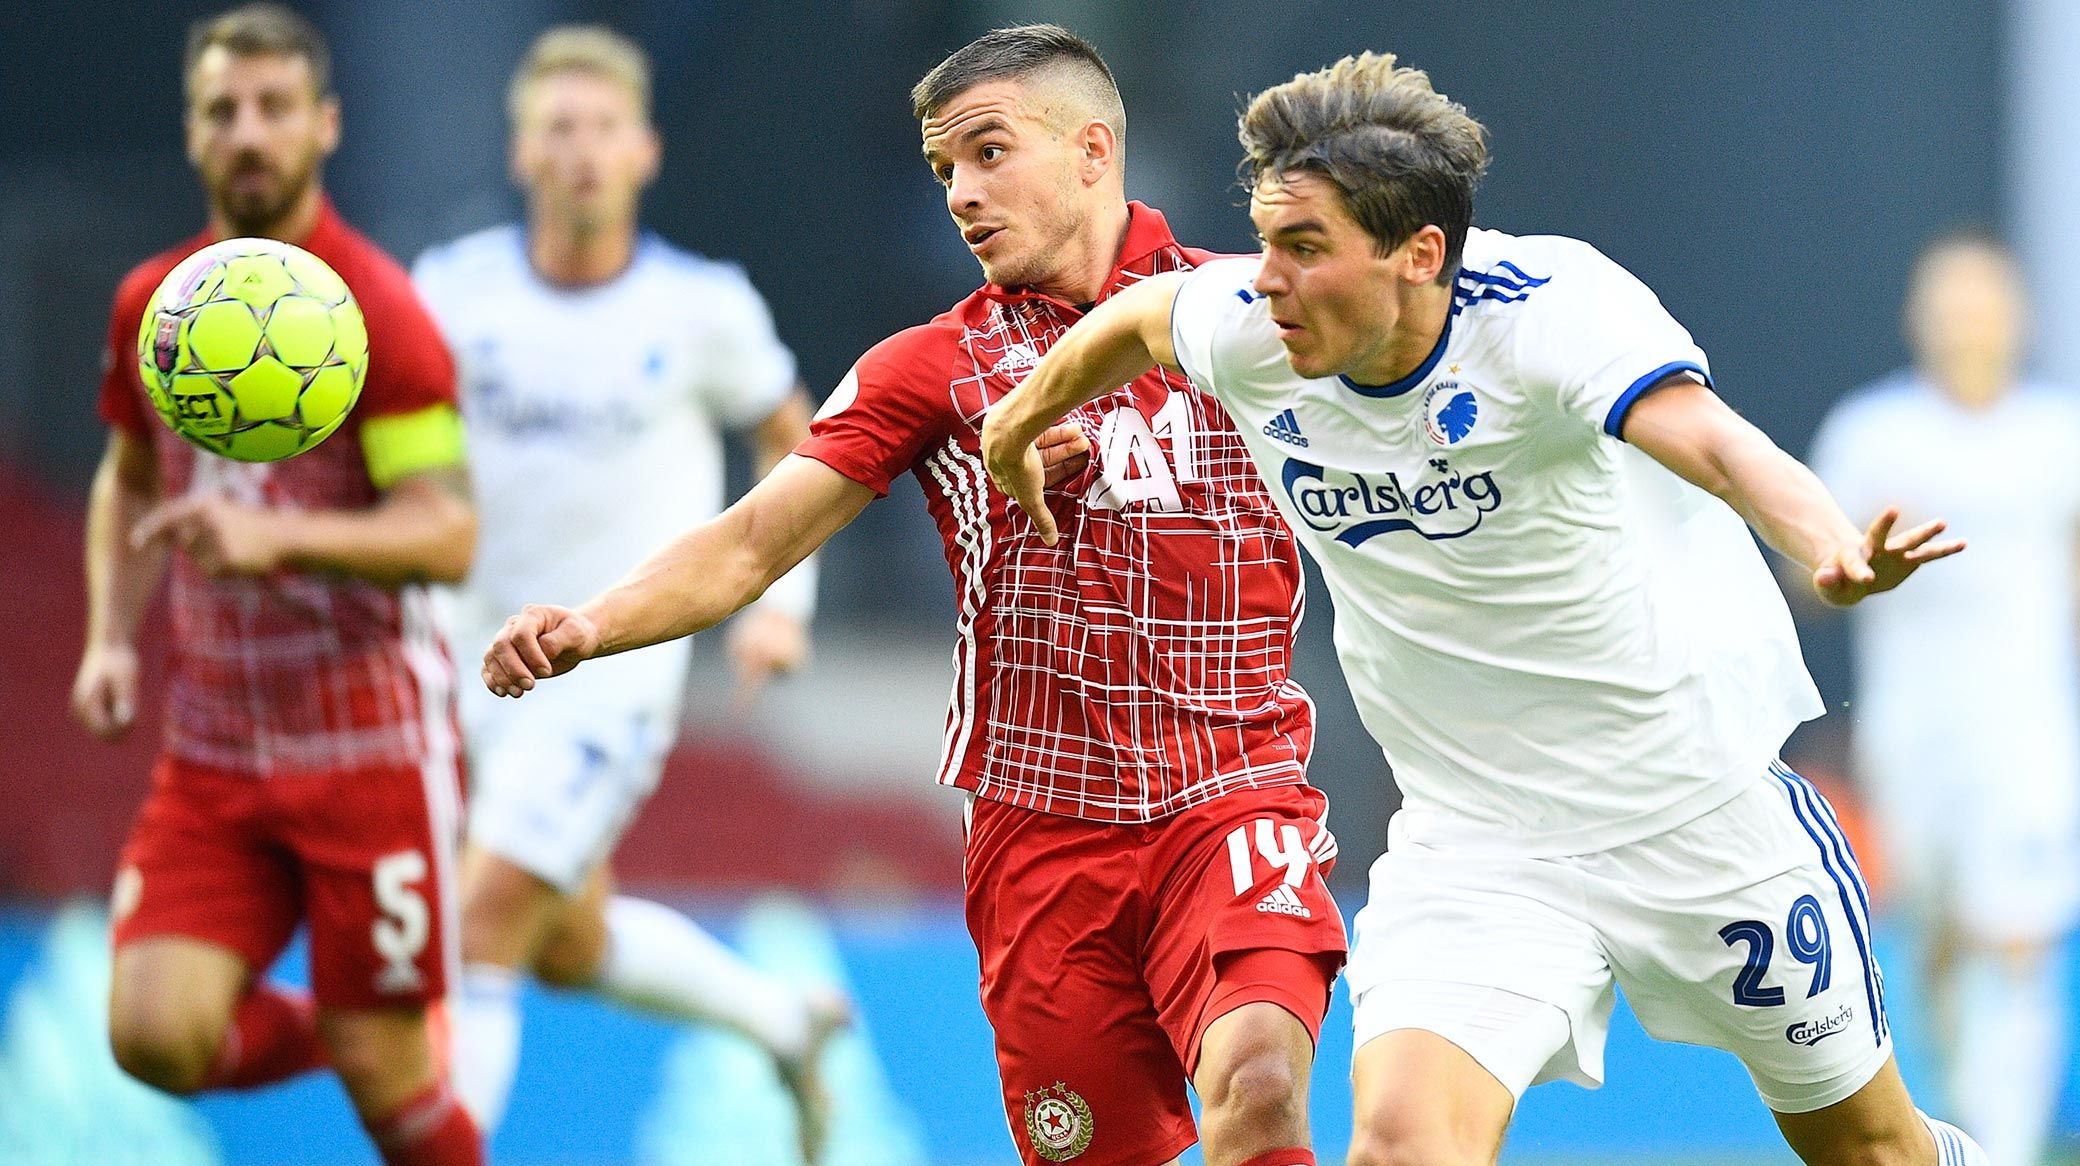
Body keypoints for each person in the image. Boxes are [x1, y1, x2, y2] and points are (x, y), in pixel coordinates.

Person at [981, 51, 1988, 1166]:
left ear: (1420, 255)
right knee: (1400, 1144)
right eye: (1265, 238)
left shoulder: (1551, 316)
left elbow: (1713, 440)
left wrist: (1830, 544)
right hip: (1480, 839)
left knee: (1872, 1151)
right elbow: (1139, 320)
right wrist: (1012, 425)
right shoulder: (1252, 325)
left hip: (1693, 806)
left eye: (1305, 247)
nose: (1263, 276)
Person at [482, 24, 1346, 1166]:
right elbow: (748, 545)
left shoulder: (1246, 312)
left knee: (1264, 1084)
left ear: (1093, 150)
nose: (960, 194)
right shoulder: (927, 368)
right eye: (944, 171)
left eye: (988, 153)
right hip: (1044, 840)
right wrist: (591, 621)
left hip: (1235, 794)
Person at [410, 24, 845, 1159]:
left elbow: (792, 441)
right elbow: (391, 447)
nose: (582, 152)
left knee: (485, 916)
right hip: (460, 659)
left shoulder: (698, 307)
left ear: (644, 151)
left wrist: (779, 609)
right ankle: (781, 1020)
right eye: (558, 129)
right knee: (564, 939)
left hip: (611, 674)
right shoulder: (451, 293)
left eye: (603, 129)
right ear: (521, 153)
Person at [70, 6, 481, 1165]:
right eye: (222, 110)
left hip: (372, 755)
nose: (248, 133)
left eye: (273, 107)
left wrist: (280, 542)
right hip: (215, 749)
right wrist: (110, 635)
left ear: (325, 124)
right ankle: (356, 1033)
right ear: (193, 132)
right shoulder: (153, 303)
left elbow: (445, 531)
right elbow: (129, 471)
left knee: (397, 1093)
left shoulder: (381, 314)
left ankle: (380, 1041)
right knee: (152, 1035)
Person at [1810, 233, 2080, 1166]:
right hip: (1911, 730)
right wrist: (1849, 571)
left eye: (1985, 303)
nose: (1969, 323)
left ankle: (2004, 1145)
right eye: (1951, 303)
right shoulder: (1871, 434)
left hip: (2027, 731)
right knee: (1936, 935)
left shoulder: (2060, 437)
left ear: (2018, 317)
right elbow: (1810, 569)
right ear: (1920, 317)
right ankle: (1958, 1116)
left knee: (2017, 933)